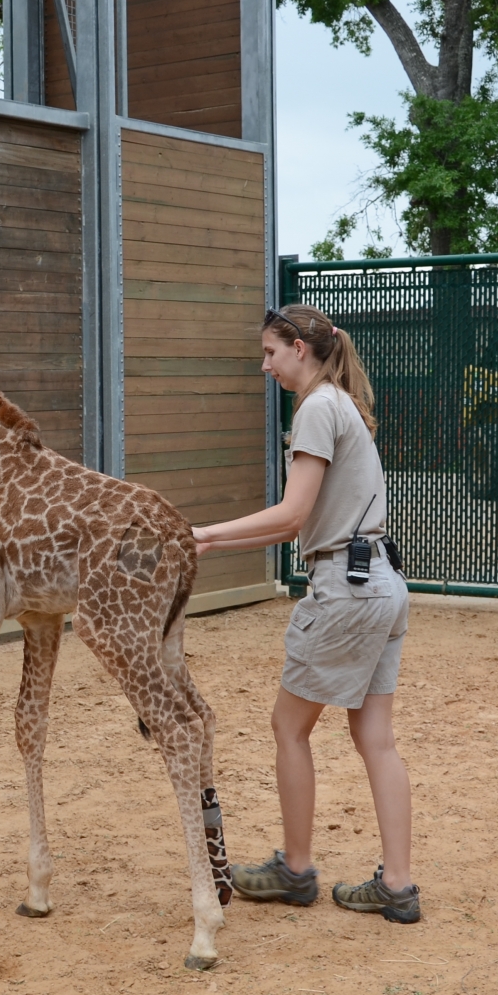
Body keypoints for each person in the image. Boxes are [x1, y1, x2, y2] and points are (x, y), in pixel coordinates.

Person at [190, 304, 419, 923]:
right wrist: (210, 542)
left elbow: (292, 517)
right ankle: (396, 884)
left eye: (270, 352)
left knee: (288, 727)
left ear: (299, 347)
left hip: (345, 589)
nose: (265, 365)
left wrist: (206, 530)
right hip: (382, 585)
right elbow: (298, 523)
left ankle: (295, 871)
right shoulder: (343, 403)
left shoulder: (317, 407)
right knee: (376, 737)